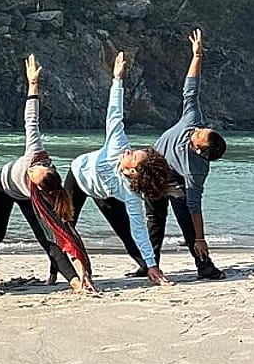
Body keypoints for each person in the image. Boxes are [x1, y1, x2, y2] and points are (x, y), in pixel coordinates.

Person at [0, 55, 96, 293]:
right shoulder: (35, 153)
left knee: (49, 238)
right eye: (35, 170)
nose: (30, 170)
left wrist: (82, 274)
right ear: (47, 167)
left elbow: (68, 236)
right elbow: (31, 120)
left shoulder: (42, 194)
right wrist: (32, 84)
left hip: (26, 196)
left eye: (32, 175)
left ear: (39, 186)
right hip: (3, 185)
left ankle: (72, 281)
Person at [60, 52, 173, 286]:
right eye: (134, 150)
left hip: (104, 193)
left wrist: (153, 264)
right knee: (65, 225)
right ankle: (59, 272)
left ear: (134, 173)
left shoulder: (130, 194)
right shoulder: (118, 146)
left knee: (127, 231)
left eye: (133, 156)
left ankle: (146, 267)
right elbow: (115, 114)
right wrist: (117, 79)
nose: (129, 151)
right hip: (79, 175)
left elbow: (139, 229)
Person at [144, 29, 227, 280]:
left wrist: (201, 237)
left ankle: (204, 265)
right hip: (154, 167)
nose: (198, 129)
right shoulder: (193, 119)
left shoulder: (196, 169)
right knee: (154, 219)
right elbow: (191, 89)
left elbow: (195, 206)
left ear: (200, 149)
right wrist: (197, 55)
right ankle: (148, 263)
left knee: (186, 220)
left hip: (176, 180)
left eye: (200, 134)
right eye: (203, 128)